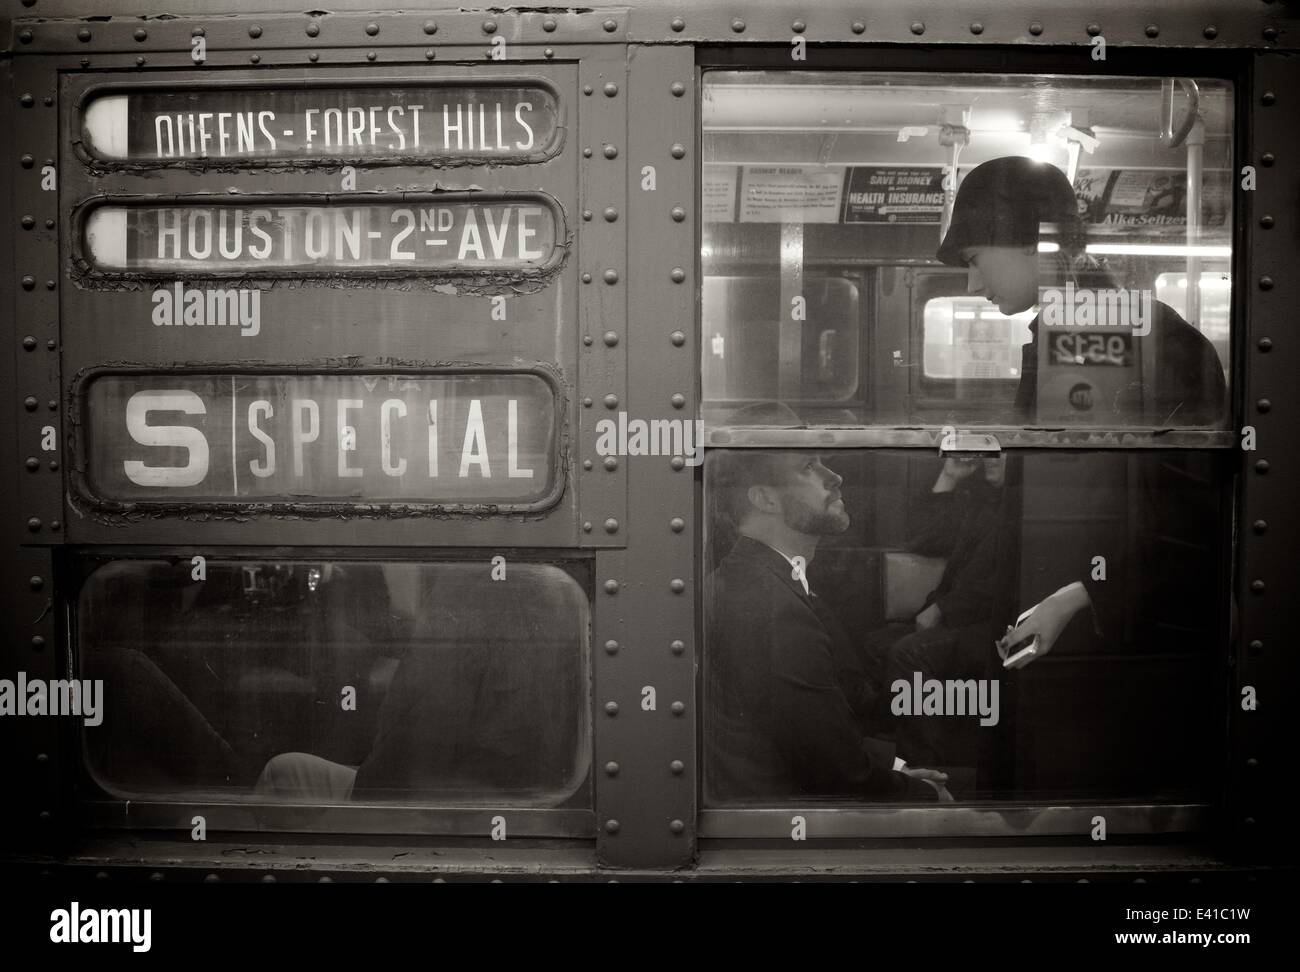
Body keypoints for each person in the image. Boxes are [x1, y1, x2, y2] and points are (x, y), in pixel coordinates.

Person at [934, 155, 1228, 665]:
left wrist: (1078, 597)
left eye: (975, 259)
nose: (972, 286)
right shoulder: (1068, 339)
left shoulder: (1147, 341)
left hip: (1116, 653)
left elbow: (1189, 520)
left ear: (1031, 243)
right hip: (1059, 635)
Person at [705, 402, 951, 803]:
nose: (834, 476)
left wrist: (896, 768)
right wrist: (922, 794)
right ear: (765, 499)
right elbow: (833, 770)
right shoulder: (773, 608)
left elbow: (814, 731)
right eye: (808, 467)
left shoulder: (762, 580)